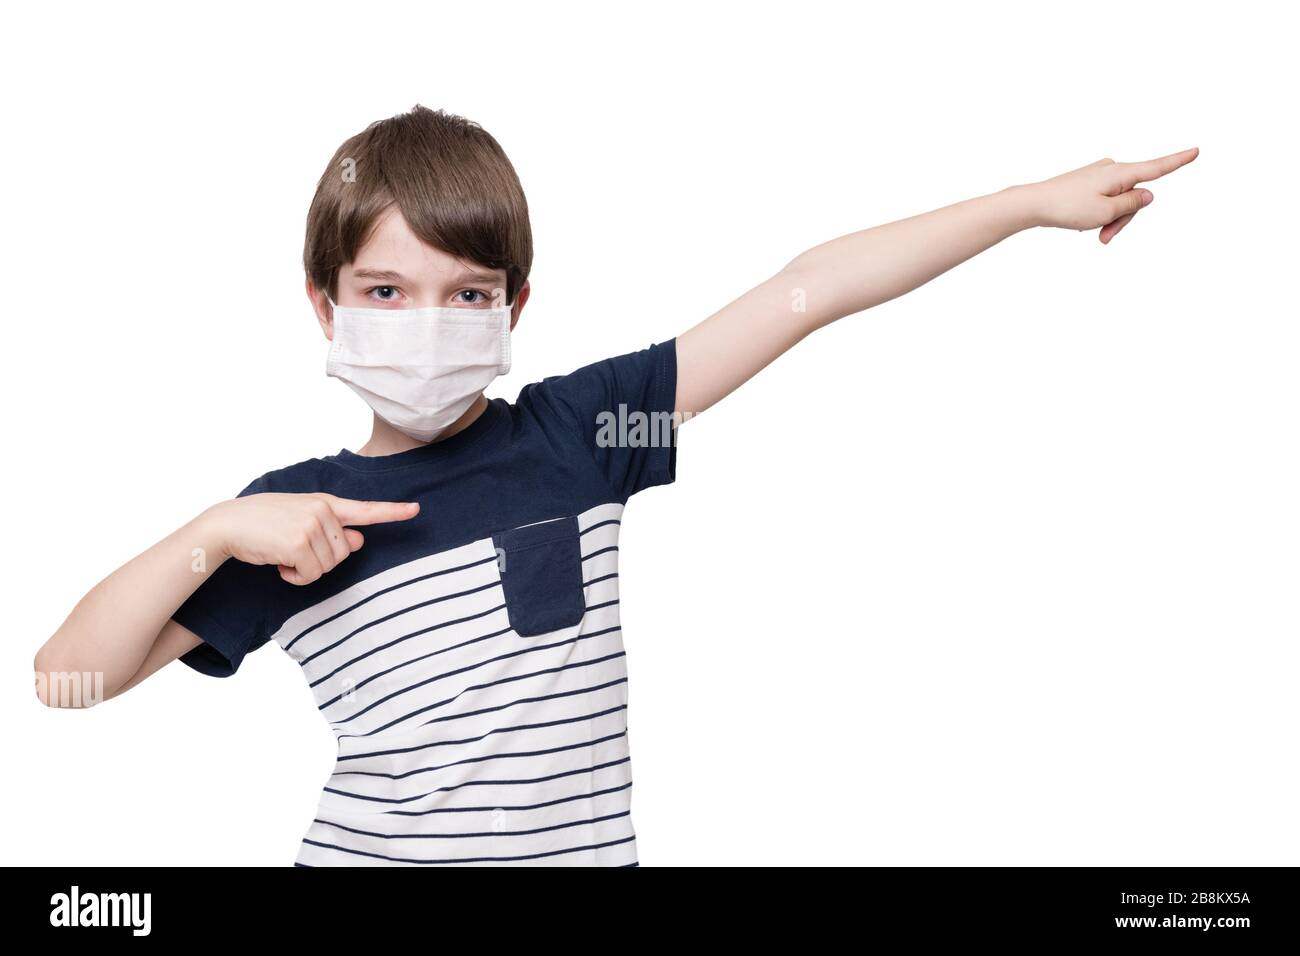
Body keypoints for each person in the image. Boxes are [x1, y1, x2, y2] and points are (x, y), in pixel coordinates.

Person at [33, 105, 1198, 866]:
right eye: (384, 291)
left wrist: (1023, 203)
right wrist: (212, 531)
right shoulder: (294, 518)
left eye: (467, 291)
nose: (426, 321)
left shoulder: (587, 435)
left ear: (515, 307)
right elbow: (68, 681)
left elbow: (807, 290)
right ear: (323, 303)